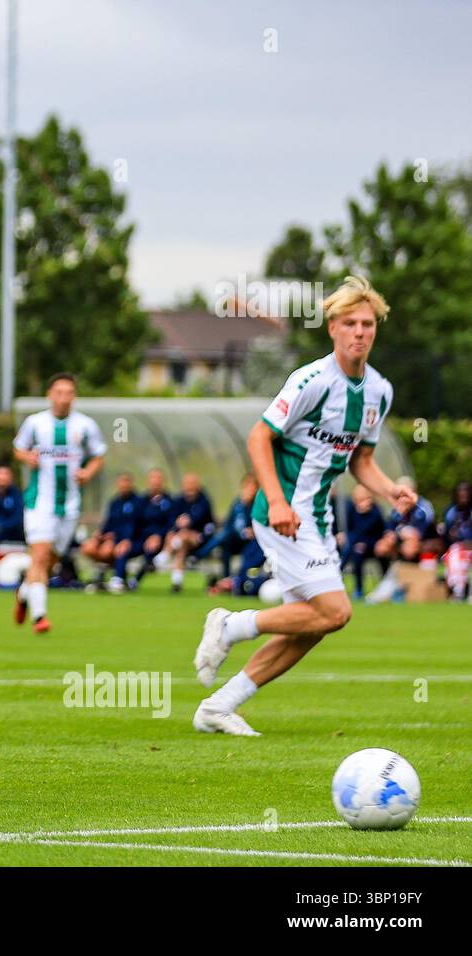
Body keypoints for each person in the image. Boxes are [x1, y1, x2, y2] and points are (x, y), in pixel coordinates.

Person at [192, 276, 414, 736]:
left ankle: (219, 706)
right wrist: (275, 501)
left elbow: (362, 460)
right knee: (337, 612)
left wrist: (390, 490)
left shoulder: (379, 392)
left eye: (368, 324)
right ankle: (230, 625)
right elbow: (259, 436)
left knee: (311, 627)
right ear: (332, 327)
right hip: (285, 515)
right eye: (350, 322)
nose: (360, 332)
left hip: (317, 516)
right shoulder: (311, 380)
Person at [12, 373, 106, 632]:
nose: (64, 398)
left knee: (50, 561)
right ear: (49, 395)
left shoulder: (85, 426)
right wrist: (26, 457)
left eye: (69, 393)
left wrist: (88, 472)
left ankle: (23, 594)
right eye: (59, 392)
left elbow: (99, 455)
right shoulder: (36, 423)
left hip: (70, 506)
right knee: (40, 557)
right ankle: (40, 616)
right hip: (39, 502)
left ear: (74, 396)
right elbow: (18, 448)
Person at [81, 472, 143, 589]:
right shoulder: (114, 502)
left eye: (126, 482)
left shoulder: (138, 502)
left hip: (125, 539)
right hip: (108, 537)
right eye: (121, 482)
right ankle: (102, 571)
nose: (123, 485)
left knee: (107, 550)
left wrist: (120, 537)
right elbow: (109, 522)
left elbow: (134, 525)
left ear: (131, 484)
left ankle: (110, 574)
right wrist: (100, 534)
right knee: (88, 547)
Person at [196, 473, 258, 582]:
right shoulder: (238, 503)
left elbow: (259, 522)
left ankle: (199, 555)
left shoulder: (257, 504)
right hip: (234, 538)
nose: (248, 489)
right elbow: (229, 522)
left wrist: (253, 530)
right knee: (226, 540)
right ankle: (226, 578)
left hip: (250, 541)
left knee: (224, 535)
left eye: (251, 486)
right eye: (246, 486)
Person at [163, 472, 214, 592]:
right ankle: (177, 583)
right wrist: (175, 528)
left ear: (198, 485)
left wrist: (187, 524)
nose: (189, 486)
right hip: (183, 542)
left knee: (185, 535)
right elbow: (173, 521)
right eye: (187, 483)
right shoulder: (179, 501)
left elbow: (205, 524)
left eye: (192, 483)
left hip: (200, 540)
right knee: (182, 544)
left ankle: (164, 555)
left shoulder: (204, 501)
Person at [339, 483, 386, 598]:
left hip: (372, 542)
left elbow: (367, 529)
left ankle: (339, 570)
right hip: (356, 543)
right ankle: (358, 588)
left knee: (353, 546)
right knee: (356, 551)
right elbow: (348, 528)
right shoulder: (350, 508)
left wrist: (364, 513)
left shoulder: (375, 510)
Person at [133, 468, 174, 588]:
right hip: (141, 538)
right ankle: (119, 579)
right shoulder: (141, 501)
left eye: (158, 478)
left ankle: (136, 580)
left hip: (160, 539)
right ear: (148, 481)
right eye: (153, 478)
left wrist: (158, 536)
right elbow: (136, 523)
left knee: (150, 547)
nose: (155, 481)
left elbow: (170, 524)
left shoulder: (170, 502)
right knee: (123, 549)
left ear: (163, 481)